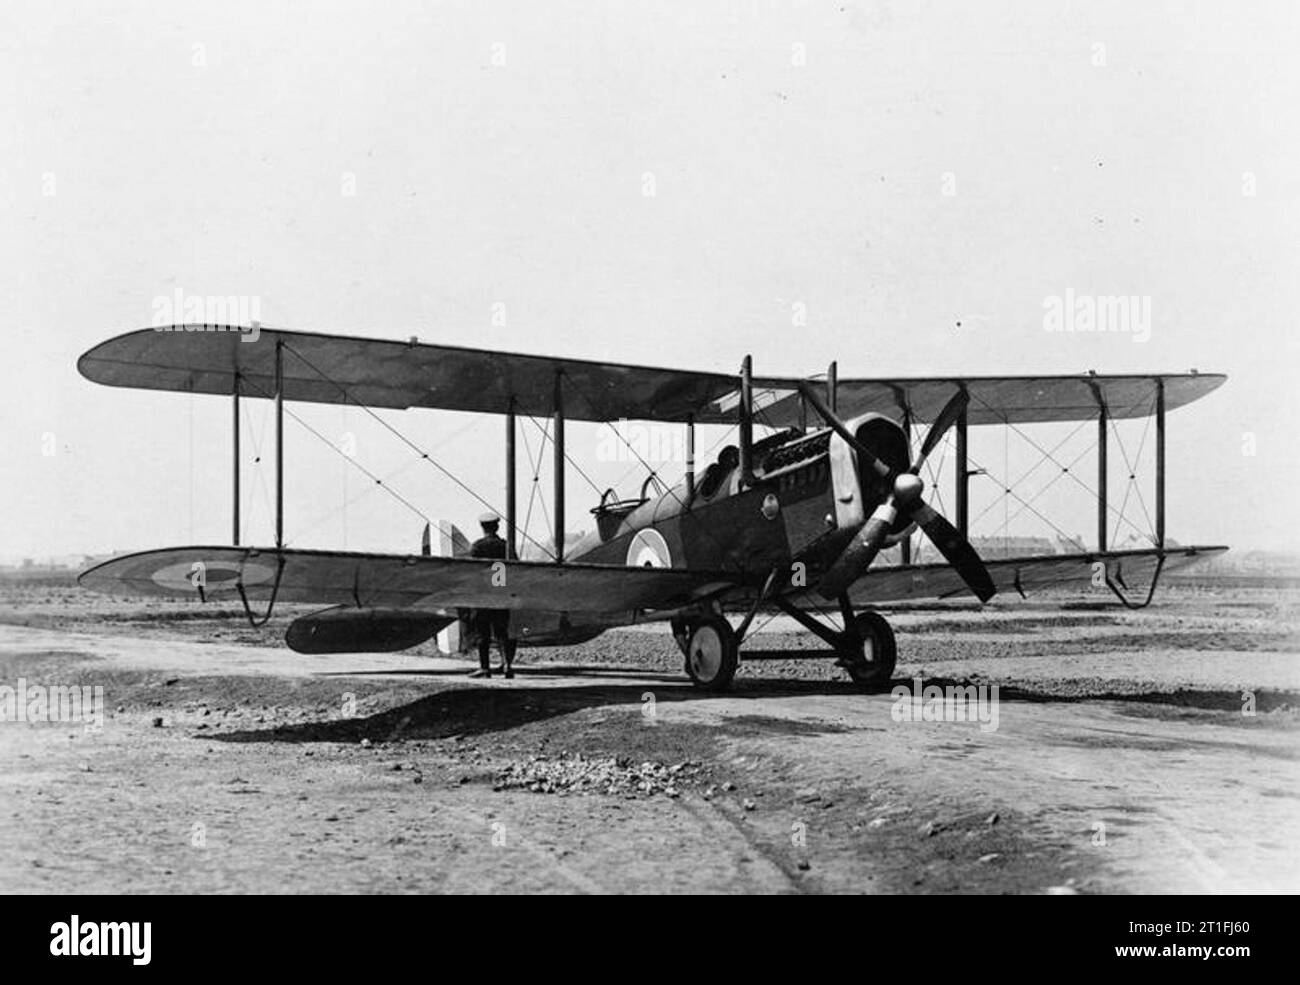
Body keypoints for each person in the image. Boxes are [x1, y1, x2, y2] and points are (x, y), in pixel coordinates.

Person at [468, 512, 516, 678]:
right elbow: (515, 567)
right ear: (497, 526)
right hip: (501, 593)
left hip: (484, 594)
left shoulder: (477, 546)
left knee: (483, 633)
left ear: (482, 527)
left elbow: (473, 571)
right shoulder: (505, 545)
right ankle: (507, 665)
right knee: (502, 632)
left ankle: (485, 668)